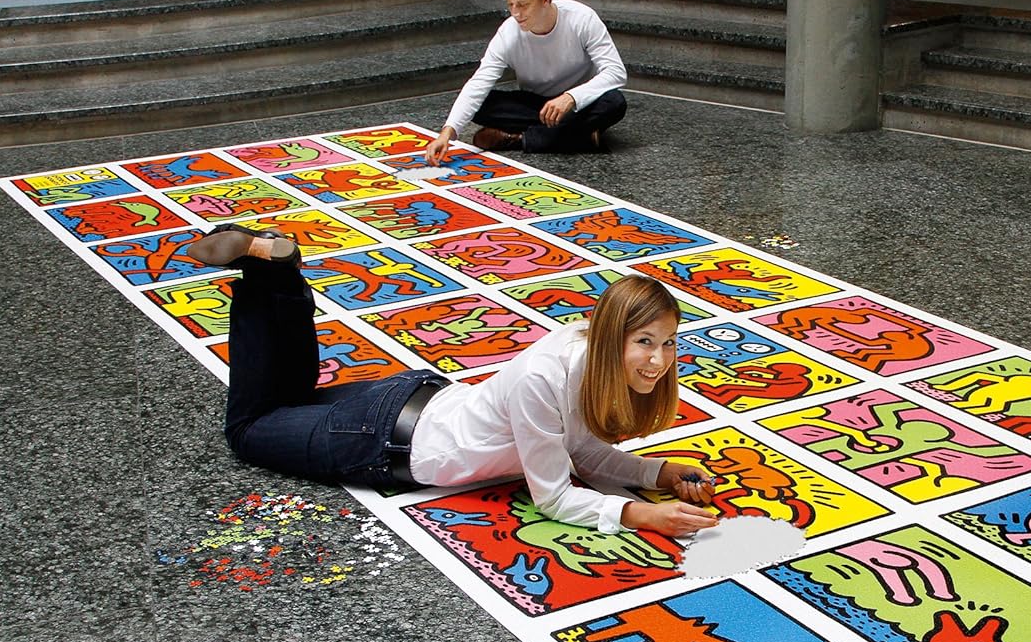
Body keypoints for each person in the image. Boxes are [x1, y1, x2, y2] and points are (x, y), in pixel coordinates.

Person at [183, 224, 718, 539]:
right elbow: (553, 497)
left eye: (669, 343)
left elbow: (576, 447)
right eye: (644, 342)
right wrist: (642, 513)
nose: (658, 360)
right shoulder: (544, 379)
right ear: (610, 336)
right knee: (250, 429)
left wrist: (657, 471)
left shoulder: (582, 347)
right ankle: (272, 274)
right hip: (384, 439)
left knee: (291, 400)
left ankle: (276, 269)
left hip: (415, 400)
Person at [424, 0, 628, 160]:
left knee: (614, 102)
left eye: (523, 5)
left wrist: (571, 97)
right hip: (535, 107)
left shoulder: (582, 19)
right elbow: (480, 81)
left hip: (577, 105)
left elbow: (616, 72)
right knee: (482, 104)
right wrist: (447, 133)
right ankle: (582, 137)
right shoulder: (508, 33)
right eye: (511, 4)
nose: (515, 13)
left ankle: (521, 139)